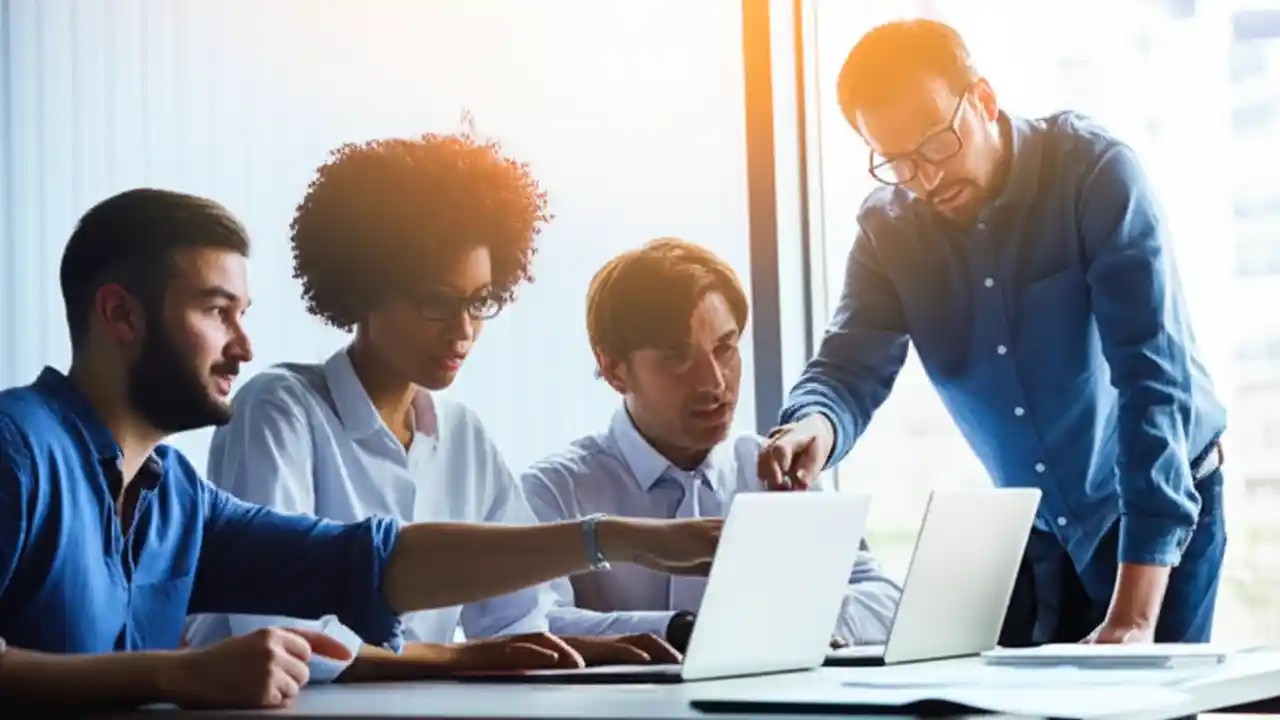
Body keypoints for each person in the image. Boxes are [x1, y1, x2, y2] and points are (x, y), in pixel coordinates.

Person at [0, 188, 720, 710]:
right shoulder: (17, 450)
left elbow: (370, 560)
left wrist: (617, 538)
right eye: (218, 312)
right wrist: (169, 675)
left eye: (243, 315)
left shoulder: (177, 500)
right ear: (120, 314)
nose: (244, 346)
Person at [759, 19, 1226, 646]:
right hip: (1040, 522)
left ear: (982, 98)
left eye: (937, 143)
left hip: (1158, 505)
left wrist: (1134, 616)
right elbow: (848, 366)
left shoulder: (1092, 173)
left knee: (1143, 687)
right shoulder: (888, 230)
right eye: (897, 161)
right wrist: (815, 425)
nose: (926, 178)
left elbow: (1152, 381)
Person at [185, 132, 682, 682]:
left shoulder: (464, 436)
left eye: (480, 301)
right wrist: (454, 658)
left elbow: (517, 619)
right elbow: (279, 631)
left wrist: (622, 644)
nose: (463, 330)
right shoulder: (279, 410)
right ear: (366, 289)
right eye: (437, 303)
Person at [522, 238, 902, 651]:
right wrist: (681, 629)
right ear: (613, 369)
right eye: (676, 356)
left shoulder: (773, 471)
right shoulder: (554, 491)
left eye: (724, 348)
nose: (714, 383)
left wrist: (786, 619)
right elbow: (528, 622)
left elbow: (884, 599)